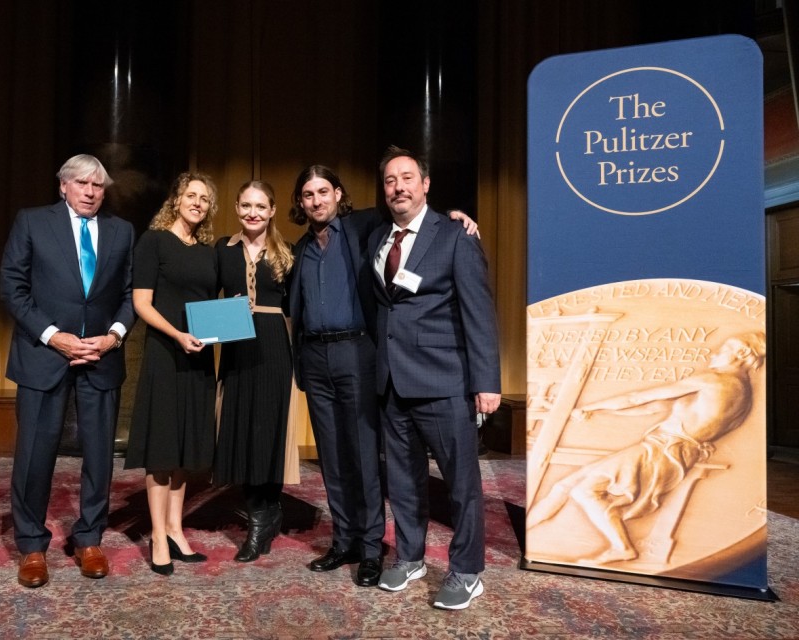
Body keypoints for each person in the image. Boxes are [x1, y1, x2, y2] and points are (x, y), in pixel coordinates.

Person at [288, 165, 478, 588]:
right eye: (307, 195)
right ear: (300, 203)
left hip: (358, 353)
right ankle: (344, 540)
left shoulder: (362, 227)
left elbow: (411, 209)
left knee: (362, 456)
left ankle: (373, 547)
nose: (316, 201)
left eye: (323, 191)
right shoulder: (299, 249)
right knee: (332, 458)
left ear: (338, 194)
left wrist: (455, 215)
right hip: (316, 360)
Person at [370, 145, 500, 610]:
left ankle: (467, 571)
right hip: (392, 383)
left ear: (426, 185)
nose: (398, 187)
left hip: (444, 381)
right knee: (402, 481)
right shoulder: (378, 238)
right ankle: (410, 557)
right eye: (389, 180)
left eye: (407, 178)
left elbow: (479, 313)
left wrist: (487, 382)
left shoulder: (455, 235)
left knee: (461, 484)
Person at [0, 154, 135, 588]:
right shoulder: (32, 222)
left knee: (99, 455)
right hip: (44, 356)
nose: (91, 192)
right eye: (82, 183)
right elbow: (12, 286)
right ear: (63, 186)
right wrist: (53, 335)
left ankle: (89, 538)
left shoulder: (122, 231)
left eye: (98, 186)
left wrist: (114, 335)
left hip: (101, 356)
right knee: (34, 457)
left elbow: (133, 292)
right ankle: (32, 545)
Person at [526, 332, 766, 565]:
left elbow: (636, 398)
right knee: (564, 485)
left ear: (742, 353)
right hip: (672, 450)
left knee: (584, 491)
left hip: (662, 450)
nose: (714, 354)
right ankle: (529, 535)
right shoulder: (743, 396)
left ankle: (622, 548)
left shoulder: (714, 379)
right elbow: (654, 409)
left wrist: (586, 407)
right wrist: (594, 410)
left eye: (723, 349)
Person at [124, 172, 219, 575]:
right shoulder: (154, 241)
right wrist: (177, 334)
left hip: (198, 357)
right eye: (191, 195)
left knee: (185, 450)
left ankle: (177, 530)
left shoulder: (209, 251)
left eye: (205, 198)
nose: (198, 202)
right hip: (166, 353)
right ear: (176, 199)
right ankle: (158, 536)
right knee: (163, 449)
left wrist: (232, 315)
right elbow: (141, 304)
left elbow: (209, 304)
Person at [214, 180, 296, 562]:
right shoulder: (222, 250)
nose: (253, 213)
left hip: (274, 345)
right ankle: (261, 509)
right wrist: (224, 308)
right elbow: (203, 297)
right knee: (242, 426)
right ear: (236, 207)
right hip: (236, 345)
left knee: (269, 426)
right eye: (246, 205)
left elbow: (296, 310)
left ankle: (264, 514)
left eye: (260, 206)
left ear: (273, 210)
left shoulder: (287, 253)